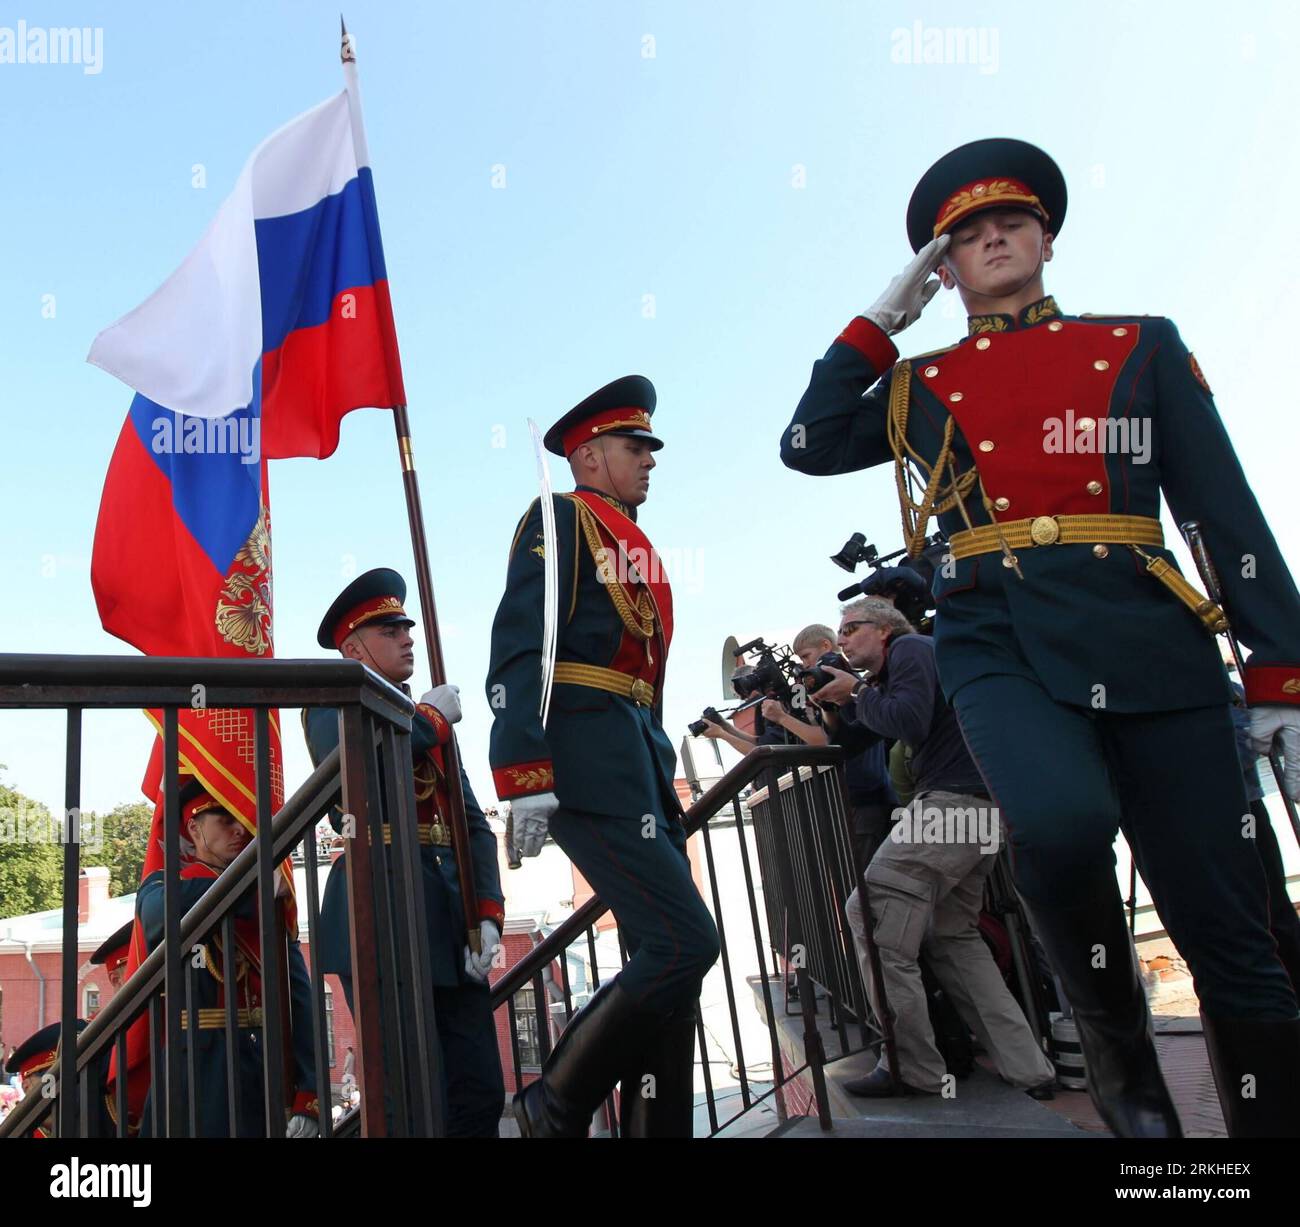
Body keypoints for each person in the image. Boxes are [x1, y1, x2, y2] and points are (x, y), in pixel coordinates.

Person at [781, 137, 1300, 1137]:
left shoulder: (1140, 343)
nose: (993, 238)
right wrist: (880, 324)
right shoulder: (917, 383)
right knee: (1058, 826)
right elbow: (804, 443)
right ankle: (1127, 1083)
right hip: (998, 637)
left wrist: (1277, 672)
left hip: (1148, 633)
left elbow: (1220, 513)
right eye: (964, 236)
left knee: (1223, 911)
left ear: (1046, 239)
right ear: (944, 270)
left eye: (1009, 221)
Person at [487, 375, 719, 1138]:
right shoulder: (560, 518)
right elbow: (522, 645)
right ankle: (549, 1105)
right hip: (585, 761)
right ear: (588, 456)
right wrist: (522, 771)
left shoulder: (629, 537)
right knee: (685, 941)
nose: (649, 459)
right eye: (634, 446)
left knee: (670, 964)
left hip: (635, 758)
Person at [816, 598, 1055, 1098]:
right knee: (953, 936)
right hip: (975, 810)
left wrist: (856, 690)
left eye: (851, 628)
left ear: (884, 630)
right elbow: (858, 742)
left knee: (869, 914)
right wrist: (841, 704)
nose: (842, 640)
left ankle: (912, 1067)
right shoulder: (898, 669)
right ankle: (1029, 1069)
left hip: (950, 806)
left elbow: (908, 722)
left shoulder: (911, 649)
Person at [305, 568, 506, 1137]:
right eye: (390, 630)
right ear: (353, 647)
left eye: (407, 628)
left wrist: (487, 912)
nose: (408, 638)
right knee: (411, 1096)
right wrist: (432, 720)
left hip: (449, 918)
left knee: (479, 1092)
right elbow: (353, 773)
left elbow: (473, 825)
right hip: (383, 912)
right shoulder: (331, 700)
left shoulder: (428, 719)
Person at [136, 780, 319, 1137]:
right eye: (223, 818)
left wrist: (308, 1092)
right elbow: (159, 916)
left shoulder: (272, 892)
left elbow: (298, 994)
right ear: (193, 827)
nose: (239, 830)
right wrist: (254, 888)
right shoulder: (164, 884)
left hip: (263, 1066)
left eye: (244, 820)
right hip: (197, 1068)